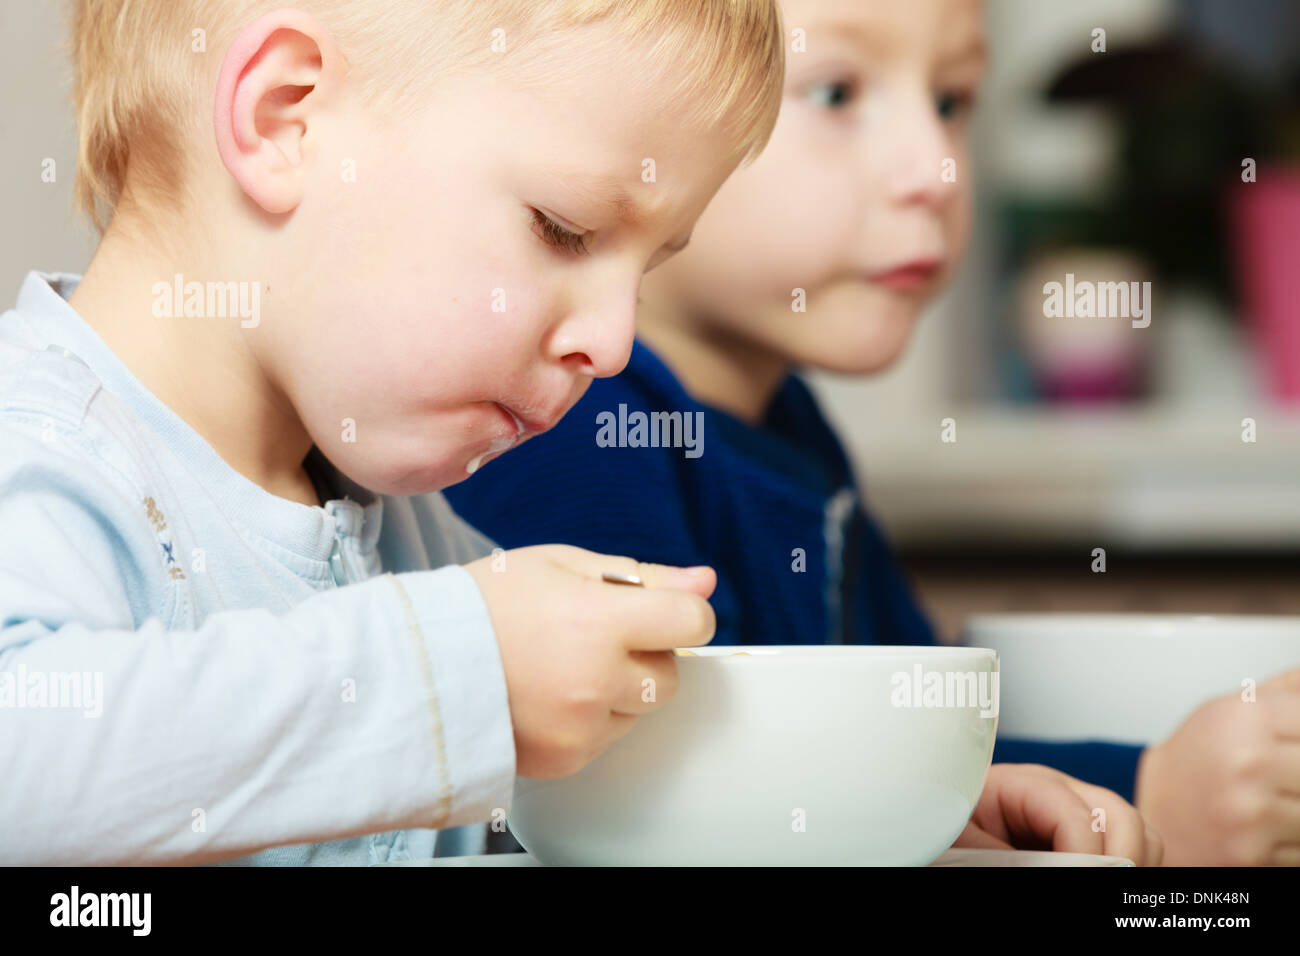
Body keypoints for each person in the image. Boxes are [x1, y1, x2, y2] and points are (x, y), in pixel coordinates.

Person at [447, 0, 1171, 862]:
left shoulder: (790, 427)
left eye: (951, 101)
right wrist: (1157, 786)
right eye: (835, 94)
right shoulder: (576, 428)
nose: (935, 171)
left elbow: (911, 745)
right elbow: (677, 801)